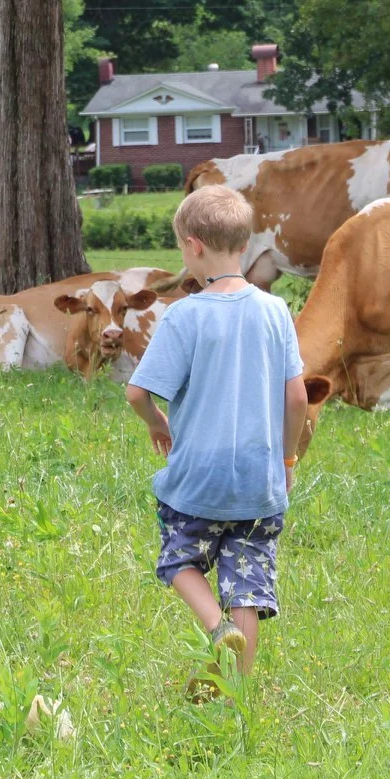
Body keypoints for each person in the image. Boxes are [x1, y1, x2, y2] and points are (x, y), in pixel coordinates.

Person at [124, 185, 308, 695]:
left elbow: (137, 393)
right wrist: (288, 458)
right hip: (258, 481)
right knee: (247, 582)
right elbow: (296, 402)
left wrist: (157, 423)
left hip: (197, 480)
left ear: (194, 245)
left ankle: (215, 626)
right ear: (243, 247)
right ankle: (237, 693)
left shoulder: (184, 315)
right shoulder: (276, 312)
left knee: (178, 559)